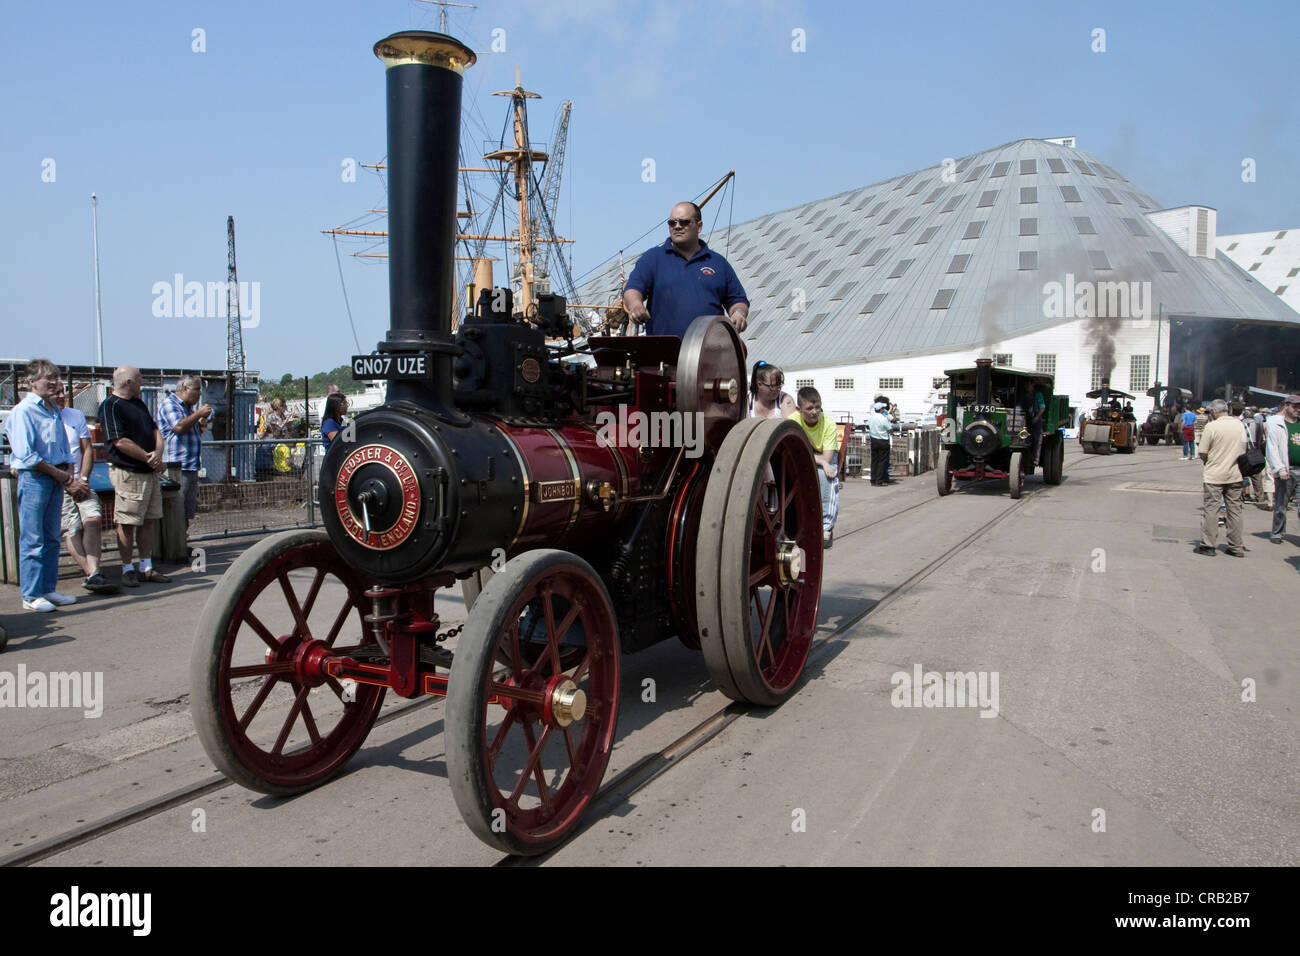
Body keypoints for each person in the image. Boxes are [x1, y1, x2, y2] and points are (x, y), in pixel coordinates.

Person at [2, 359, 86, 611]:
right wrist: (63, 476)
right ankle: (30, 595)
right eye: (48, 378)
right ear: (31, 381)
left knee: (51, 536)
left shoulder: (53, 410)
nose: (54, 383)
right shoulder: (24, 411)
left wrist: (68, 471)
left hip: (56, 477)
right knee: (33, 537)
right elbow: (27, 455)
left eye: (55, 377)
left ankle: (48, 588)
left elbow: (63, 448)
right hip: (35, 478)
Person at [623, 201, 749, 337]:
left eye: (684, 222)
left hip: (709, 351)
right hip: (664, 351)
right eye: (672, 223)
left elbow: (737, 300)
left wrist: (739, 313)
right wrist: (636, 305)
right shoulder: (653, 258)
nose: (677, 227)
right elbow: (632, 289)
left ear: (699, 226)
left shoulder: (718, 263)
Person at [99, 365, 171, 586]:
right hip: (129, 474)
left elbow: (156, 431)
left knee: (148, 521)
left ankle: (146, 566)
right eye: (139, 378)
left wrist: (158, 453)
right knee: (127, 522)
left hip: (149, 474)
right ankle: (127, 567)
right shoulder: (110, 406)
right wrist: (148, 458)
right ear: (128, 382)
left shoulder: (139, 403)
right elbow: (119, 441)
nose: (142, 381)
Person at [53, 390, 116, 594]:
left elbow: (87, 449)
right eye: (56, 393)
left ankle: (94, 573)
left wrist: (83, 480)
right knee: (72, 529)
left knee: (93, 519)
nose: (61, 395)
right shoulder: (44, 419)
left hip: (81, 480)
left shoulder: (75, 415)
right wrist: (67, 482)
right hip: (58, 483)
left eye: (63, 392)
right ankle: (92, 573)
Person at [157, 375, 211, 535]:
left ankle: (181, 542)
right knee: (175, 510)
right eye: (197, 390)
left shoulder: (188, 409)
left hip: (191, 466)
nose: (199, 394)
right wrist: (199, 414)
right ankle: (174, 546)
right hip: (176, 468)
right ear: (185, 389)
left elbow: (197, 430)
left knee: (186, 512)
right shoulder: (170, 404)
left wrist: (201, 420)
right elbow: (179, 427)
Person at [1194, 399, 1247, 557]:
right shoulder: (1239, 425)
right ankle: (1236, 547)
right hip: (1235, 474)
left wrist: (1209, 461)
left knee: (1211, 510)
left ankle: (1209, 545)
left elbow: (1203, 451)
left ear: (1215, 412)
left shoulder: (1212, 426)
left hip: (1214, 475)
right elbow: (1244, 449)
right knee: (1235, 511)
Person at [789, 387, 839, 549]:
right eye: (809, 408)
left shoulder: (829, 424)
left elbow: (827, 458)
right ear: (799, 409)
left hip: (823, 453)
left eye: (817, 407)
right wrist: (821, 461)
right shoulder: (792, 420)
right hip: (803, 452)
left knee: (826, 476)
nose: (814, 412)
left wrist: (824, 463)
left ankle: (826, 525)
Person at [1265, 394, 1300, 545]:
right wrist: (1280, 468)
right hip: (1286, 469)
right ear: (1287, 406)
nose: (1298, 410)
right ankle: (1277, 532)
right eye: (1295, 407)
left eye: (1299, 407)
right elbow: (1272, 448)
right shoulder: (1276, 424)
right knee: (1281, 505)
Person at [866, 399, 898, 486]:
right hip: (883, 440)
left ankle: (873, 479)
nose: (884, 409)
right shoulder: (883, 418)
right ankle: (879, 480)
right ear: (880, 409)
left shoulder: (871, 417)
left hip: (873, 440)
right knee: (882, 461)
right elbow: (890, 429)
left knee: (874, 460)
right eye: (883, 408)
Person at [1025, 383, 1047, 469]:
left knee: (1037, 439)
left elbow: (1042, 407)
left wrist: (1036, 417)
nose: (1026, 387)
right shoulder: (1024, 394)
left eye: (1028, 385)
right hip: (1025, 418)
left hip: (1035, 418)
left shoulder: (1038, 395)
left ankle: (1036, 459)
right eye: (1025, 385)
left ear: (1032, 385)